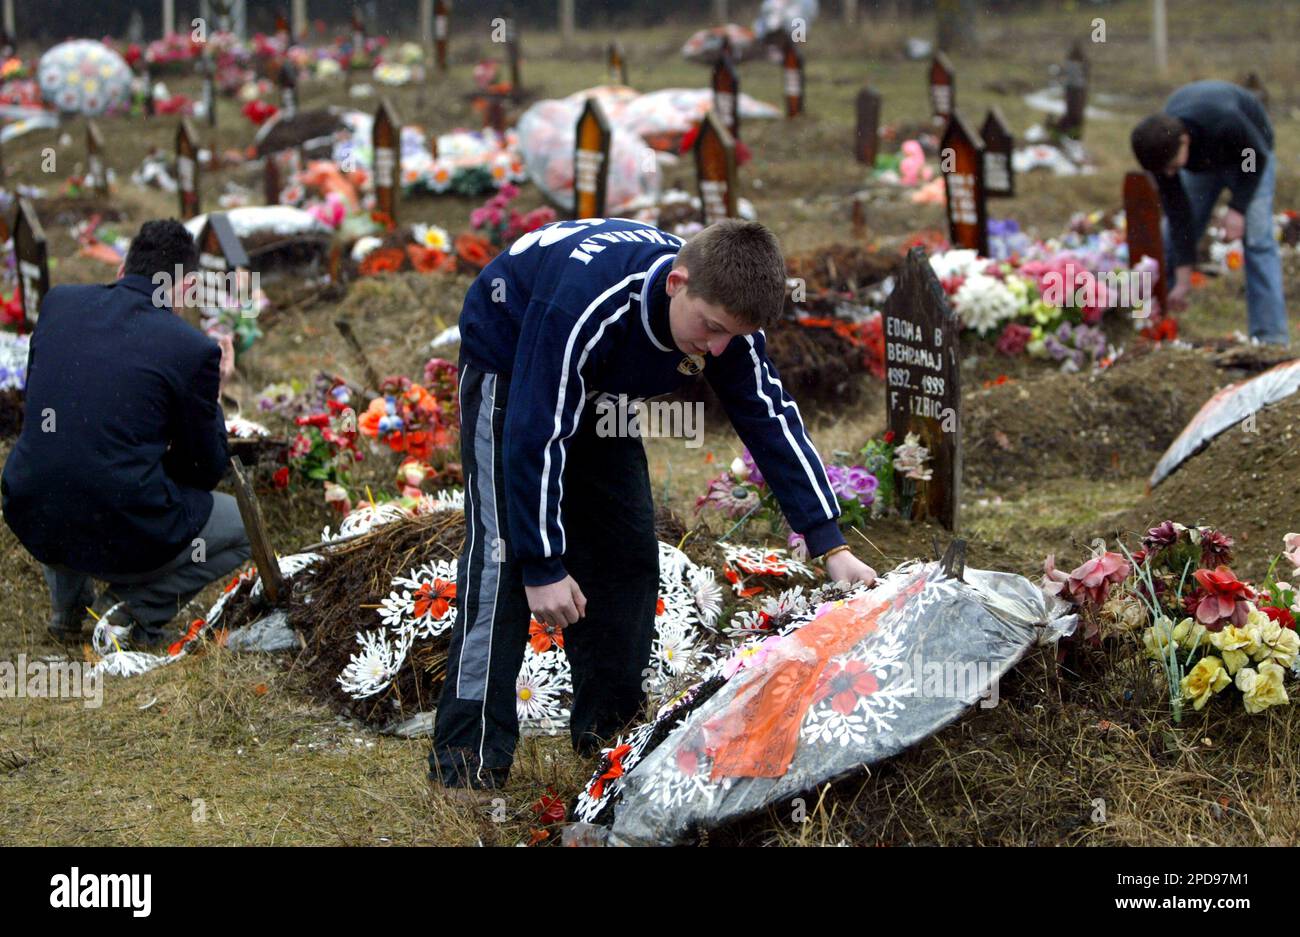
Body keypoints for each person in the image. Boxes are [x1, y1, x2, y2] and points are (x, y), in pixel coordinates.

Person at [429, 218, 877, 794]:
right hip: (515, 362)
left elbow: (768, 416)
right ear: (676, 282)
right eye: (710, 328)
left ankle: (608, 738)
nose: (716, 349)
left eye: (729, 339)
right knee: (501, 560)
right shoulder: (585, 306)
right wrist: (542, 564)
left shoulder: (726, 318)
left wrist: (828, 541)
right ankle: (468, 764)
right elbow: (536, 432)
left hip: (602, 387)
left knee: (626, 551)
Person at [1, 219, 250, 649]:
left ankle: (68, 610)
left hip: (29, 505)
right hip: (116, 520)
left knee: (65, 462)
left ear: (121, 270)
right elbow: (205, 469)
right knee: (244, 525)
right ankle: (130, 610)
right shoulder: (192, 349)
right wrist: (214, 396)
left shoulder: (59, 303)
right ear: (187, 289)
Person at [1130, 79, 1289, 346]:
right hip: (1205, 163)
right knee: (1170, 238)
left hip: (1250, 156)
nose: (1170, 174)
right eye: (1164, 171)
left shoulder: (1224, 121)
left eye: (1172, 167)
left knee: (1258, 241)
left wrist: (1237, 208)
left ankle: (1270, 339)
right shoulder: (1161, 149)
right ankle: (1157, 325)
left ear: (1185, 141)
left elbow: (1256, 157)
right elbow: (1180, 213)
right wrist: (1183, 278)